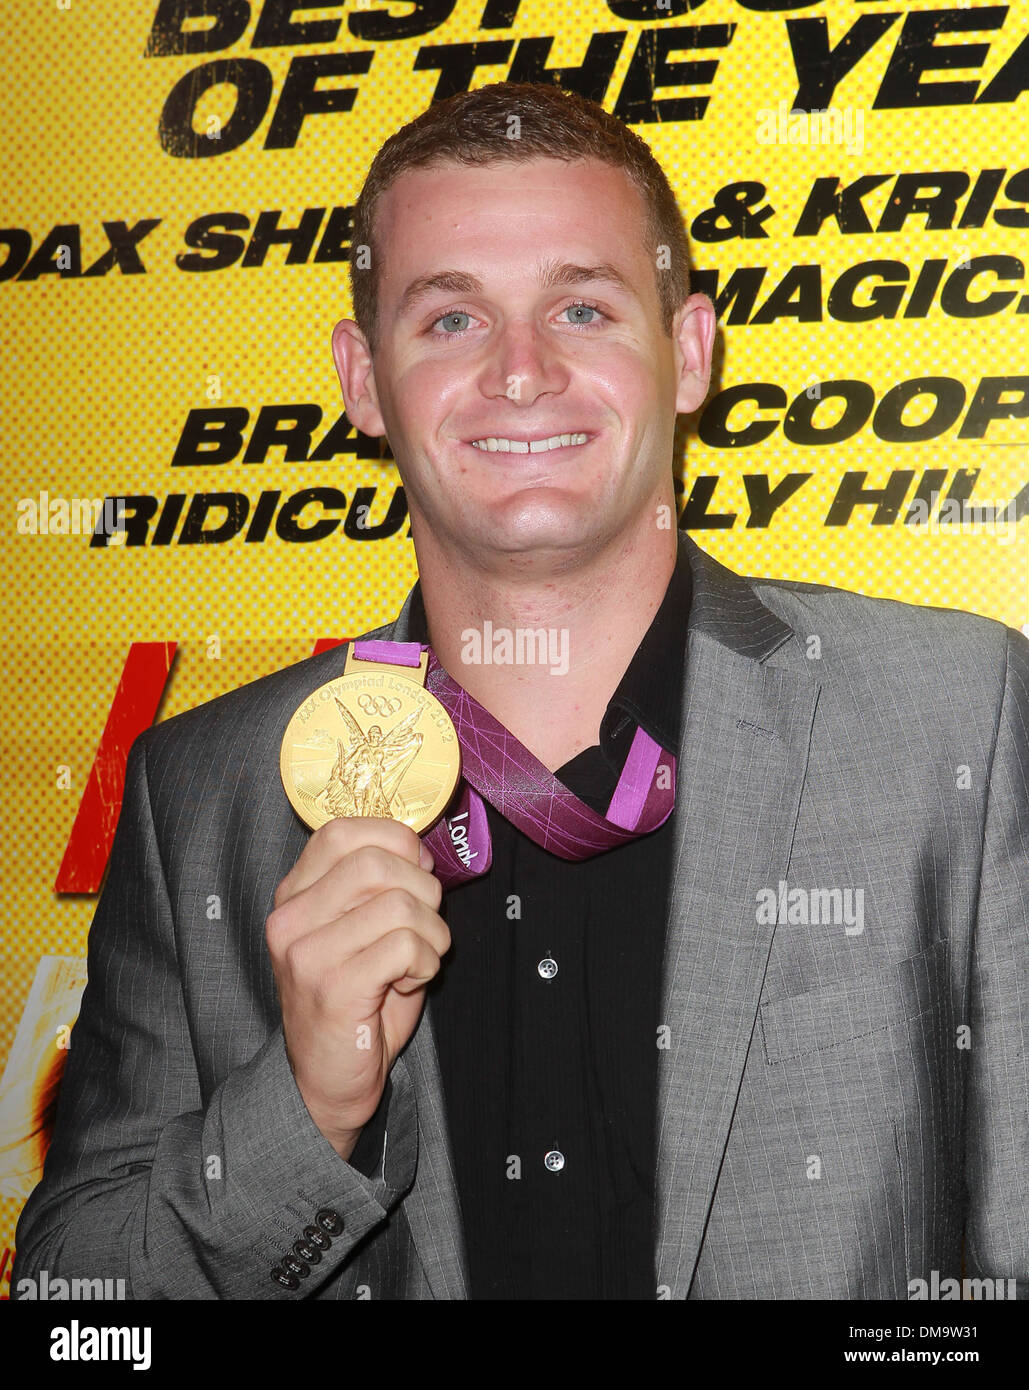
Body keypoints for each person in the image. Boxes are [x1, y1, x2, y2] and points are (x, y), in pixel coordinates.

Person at [14, 82, 1028, 1301]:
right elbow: (81, 1317)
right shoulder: (204, 795)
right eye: (449, 320)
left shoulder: (956, 718)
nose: (524, 372)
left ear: (689, 351)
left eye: (584, 306)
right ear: (363, 378)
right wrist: (303, 1109)